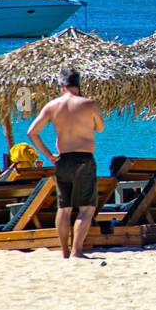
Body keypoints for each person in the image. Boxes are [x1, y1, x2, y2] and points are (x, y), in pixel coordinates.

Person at [27, 67, 104, 260]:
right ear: (78, 85)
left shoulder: (52, 106)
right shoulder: (88, 103)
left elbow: (32, 133)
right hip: (84, 159)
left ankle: (64, 252)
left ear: (62, 86)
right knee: (86, 208)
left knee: (64, 208)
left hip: (62, 159)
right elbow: (100, 128)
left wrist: (48, 155)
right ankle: (77, 251)